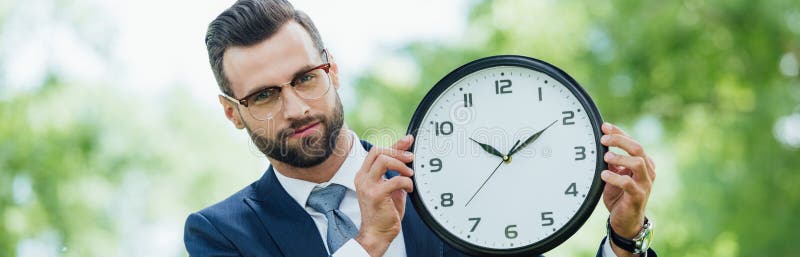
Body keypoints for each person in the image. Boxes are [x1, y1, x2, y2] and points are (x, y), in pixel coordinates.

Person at [184, 0, 658, 256]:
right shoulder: (219, 235)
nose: (294, 108)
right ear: (233, 112)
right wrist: (368, 242)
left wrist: (624, 240)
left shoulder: (450, 188)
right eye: (264, 95)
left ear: (332, 73)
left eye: (305, 79)